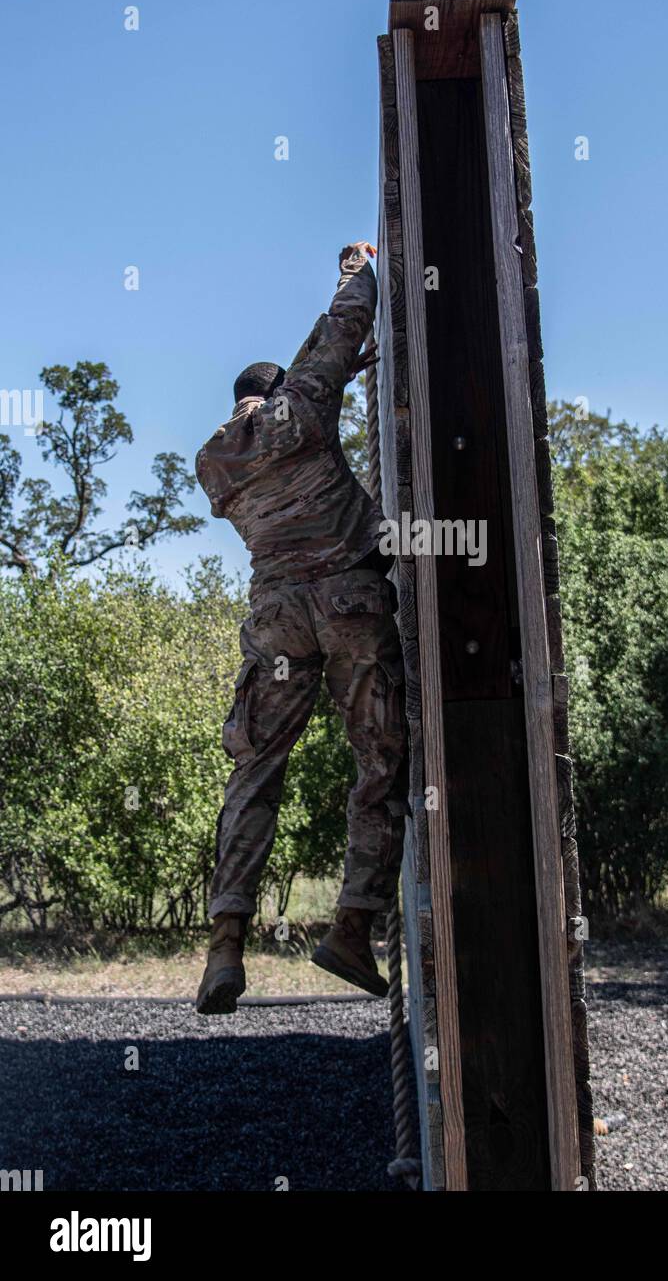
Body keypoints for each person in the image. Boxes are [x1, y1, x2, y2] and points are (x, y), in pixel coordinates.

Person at [194, 241, 408, 1014]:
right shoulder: (305, 409)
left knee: (255, 769)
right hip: (350, 601)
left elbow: (290, 400)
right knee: (379, 759)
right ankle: (352, 926)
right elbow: (342, 329)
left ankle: (225, 947)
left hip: (277, 619)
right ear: (285, 388)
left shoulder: (214, 461)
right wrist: (355, 271)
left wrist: (318, 382)